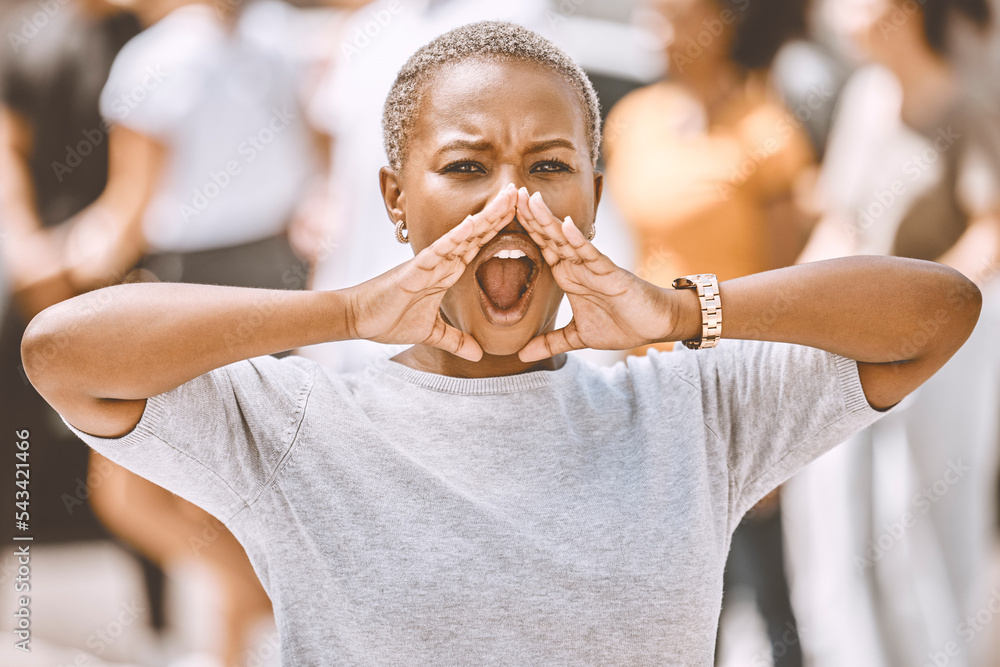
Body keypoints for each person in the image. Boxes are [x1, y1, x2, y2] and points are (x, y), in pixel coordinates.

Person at [22, 21, 982, 665]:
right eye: (466, 165)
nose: (509, 203)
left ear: (595, 198)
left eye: (550, 166)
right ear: (396, 200)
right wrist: (346, 313)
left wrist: (684, 312)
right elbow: (63, 352)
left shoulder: (686, 404)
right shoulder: (306, 417)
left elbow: (936, 313)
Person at [785, 1, 1000, 664]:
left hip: (943, 355)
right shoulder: (865, 97)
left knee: (922, 528)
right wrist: (783, 306)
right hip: (857, 343)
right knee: (841, 522)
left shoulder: (965, 105)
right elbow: (845, 225)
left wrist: (924, 317)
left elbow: (989, 227)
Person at [605, 1, 815, 662]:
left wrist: (781, 396)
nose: (654, 29)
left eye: (672, 15)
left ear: (717, 24)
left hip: (741, 376)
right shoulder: (632, 122)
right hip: (656, 379)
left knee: (762, 573)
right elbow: (624, 251)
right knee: (681, 586)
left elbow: (792, 276)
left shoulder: (766, 132)